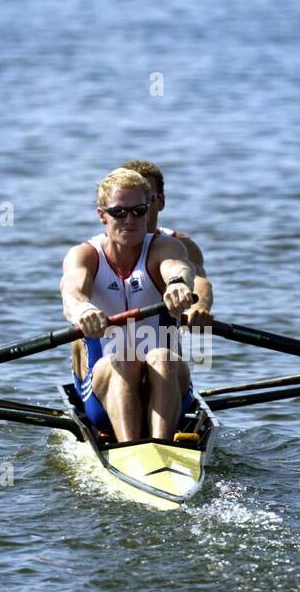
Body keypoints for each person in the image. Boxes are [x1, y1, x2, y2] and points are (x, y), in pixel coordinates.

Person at [60, 168, 197, 442]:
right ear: (102, 215)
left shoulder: (164, 247)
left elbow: (178, 268)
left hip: (167, 382)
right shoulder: (85, 255)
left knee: (162, 355)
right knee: (123, 357)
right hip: (103, 391)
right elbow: (72, 293)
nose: (130, 220)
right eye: (119, 213)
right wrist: (84, 310)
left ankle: (162, 446)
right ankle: (132, 449)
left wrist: (178, 285)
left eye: (138, 211)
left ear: (148, 212)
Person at [119, 159, 213, 327]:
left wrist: (197, 307)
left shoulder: (181, 245)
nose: (136, 211)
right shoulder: (94, 251)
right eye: (128, 202)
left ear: (161, 201)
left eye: (146, 199)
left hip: (160, 344)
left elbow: (198, 280)